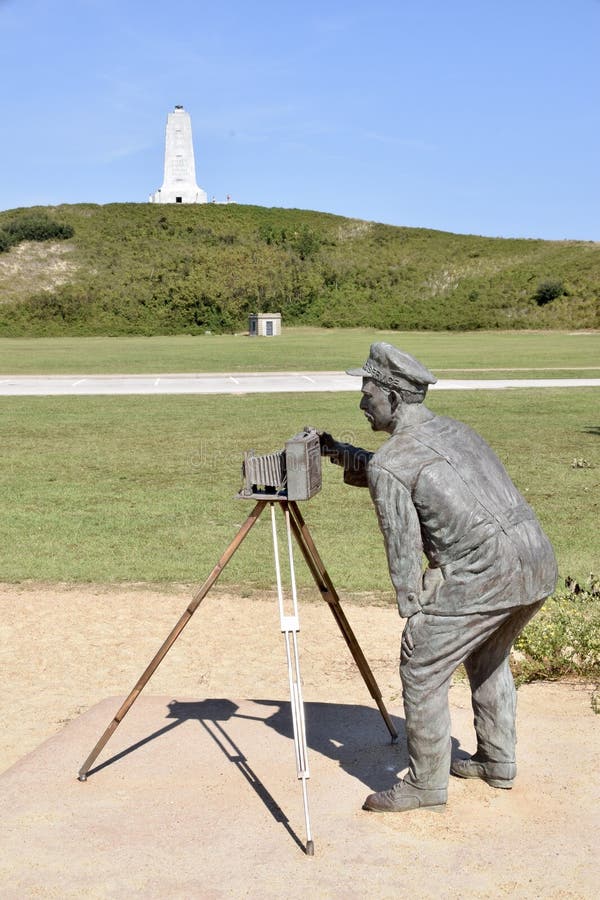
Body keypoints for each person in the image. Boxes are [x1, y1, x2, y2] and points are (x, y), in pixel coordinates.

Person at [319, 342, 557, 813]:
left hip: (486, 572)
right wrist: (345, 455)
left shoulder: (392, 462)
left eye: (368, 394)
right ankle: (496, 761)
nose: (361, 404)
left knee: (422, 666)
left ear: (394, 397)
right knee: (488, 657)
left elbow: (402, 548)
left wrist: (414, 609)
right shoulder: (454, 430)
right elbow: (417, 472)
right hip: (536, 561)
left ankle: (426, 784)